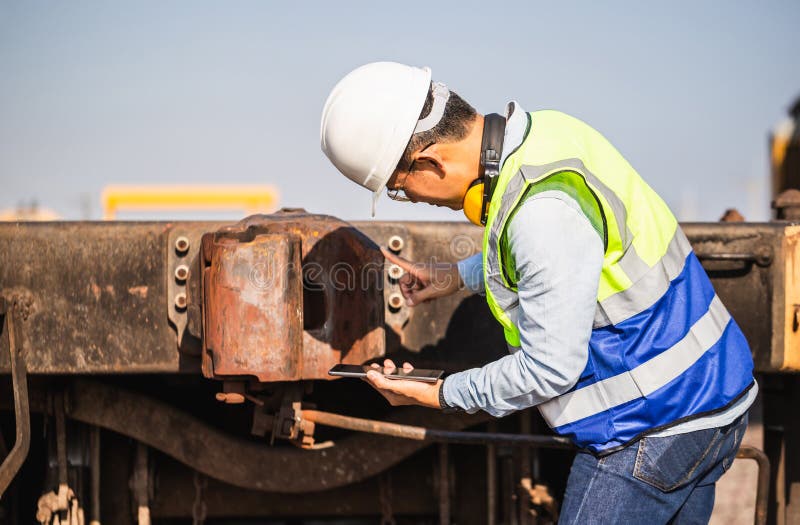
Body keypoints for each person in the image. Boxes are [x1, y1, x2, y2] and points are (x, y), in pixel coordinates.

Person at [320, 62, 756, 523]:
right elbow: (571, 255)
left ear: (431, 164)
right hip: (712, 394)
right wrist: (459, 275)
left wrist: (440, 393)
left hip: (653, 426)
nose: (415, 199)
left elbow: (549, 368)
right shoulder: (548, 136)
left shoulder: (540, 211)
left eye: (401, 190)